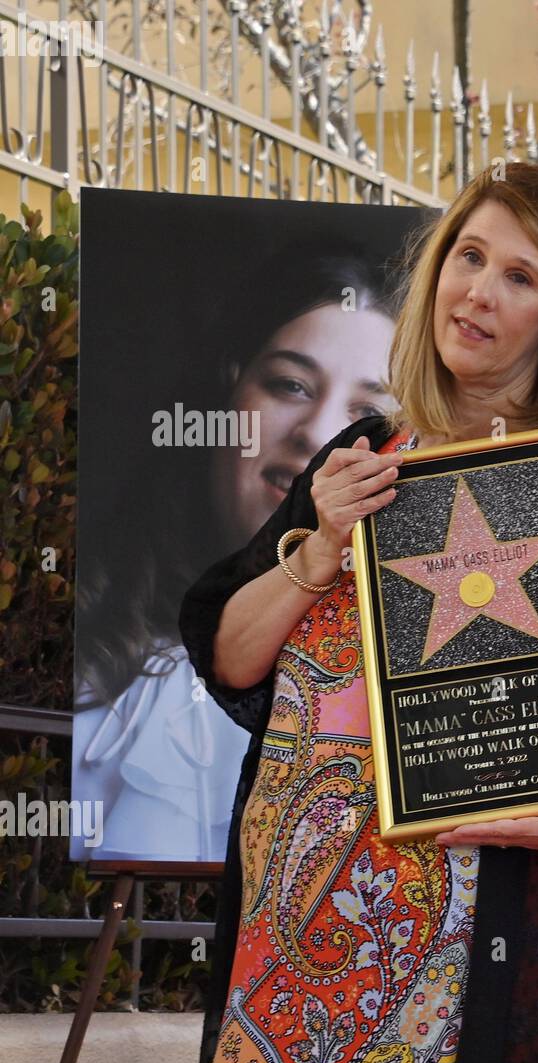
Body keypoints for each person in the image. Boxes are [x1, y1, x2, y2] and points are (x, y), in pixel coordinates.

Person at [180, 162, 538, 1063]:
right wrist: (319, 548)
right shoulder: (359, 455)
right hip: (289, 963)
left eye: (519, 276)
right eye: (468, 257)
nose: (478, 292)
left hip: (475, 966)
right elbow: (230, 657)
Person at [73, 246, 402, 863]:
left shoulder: (406, 693)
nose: (317, 432)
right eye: (290, 385)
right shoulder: (94, 662)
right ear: (227, 388)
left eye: (367, 412)